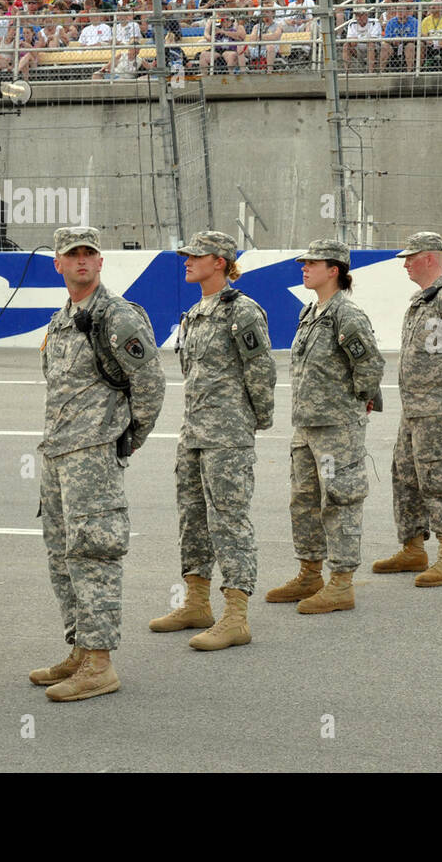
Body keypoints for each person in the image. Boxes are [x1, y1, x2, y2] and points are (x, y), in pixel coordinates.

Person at [31, 226, 166, 701]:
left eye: (90, 253)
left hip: (92, 457)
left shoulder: (117, 316)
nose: (82, 261)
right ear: (59, 264)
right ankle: (79, 649)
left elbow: (150, 383)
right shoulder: (62, 319)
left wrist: (127, 438)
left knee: (95, 554)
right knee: (63, 556)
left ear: (101, 262)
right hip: (58, 455)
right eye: (73, 255)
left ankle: (101, 663)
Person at [148, 231, 276, 651]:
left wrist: (252, 422)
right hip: (194, 432)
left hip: (227, 435)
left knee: (229, 520)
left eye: (195, 255)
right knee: (193, 518)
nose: (186, 261)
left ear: (220, 261)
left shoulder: (241, 311)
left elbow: (260, 371)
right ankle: (197, 602)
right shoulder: (196, 313)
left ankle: (236, 615)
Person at [266, 239, 384, 613]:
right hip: (306, 426)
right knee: (303, 502)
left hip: (336, 428)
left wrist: (355, 402)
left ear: (334, 270)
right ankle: (309, 573)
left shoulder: (346, 315)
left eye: (312, 263)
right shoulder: (311, 312)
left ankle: (341, 583)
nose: (304, 268)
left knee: (339, 501)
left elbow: (370, 366)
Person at [374, 232, 442, 587]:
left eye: (411, 257)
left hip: (439, 410)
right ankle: (412, 548)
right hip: (414, 410)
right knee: (405, 478)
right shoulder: (421, 300)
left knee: (441, 481)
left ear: (430, 259)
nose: (405, 263)